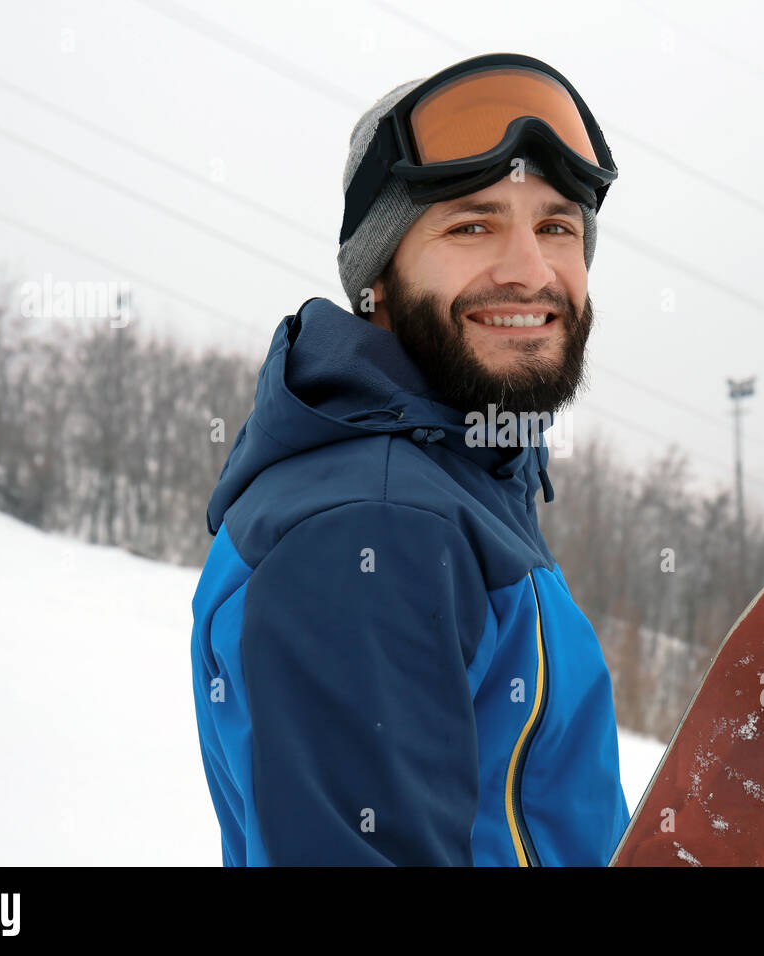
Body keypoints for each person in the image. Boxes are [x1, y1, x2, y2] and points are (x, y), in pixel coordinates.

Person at [190, 52, 631, 866]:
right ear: (379, 277)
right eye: (472, 225)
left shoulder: (464, 483)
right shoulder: (377, 526)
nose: (530, 272)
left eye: (556, 227)